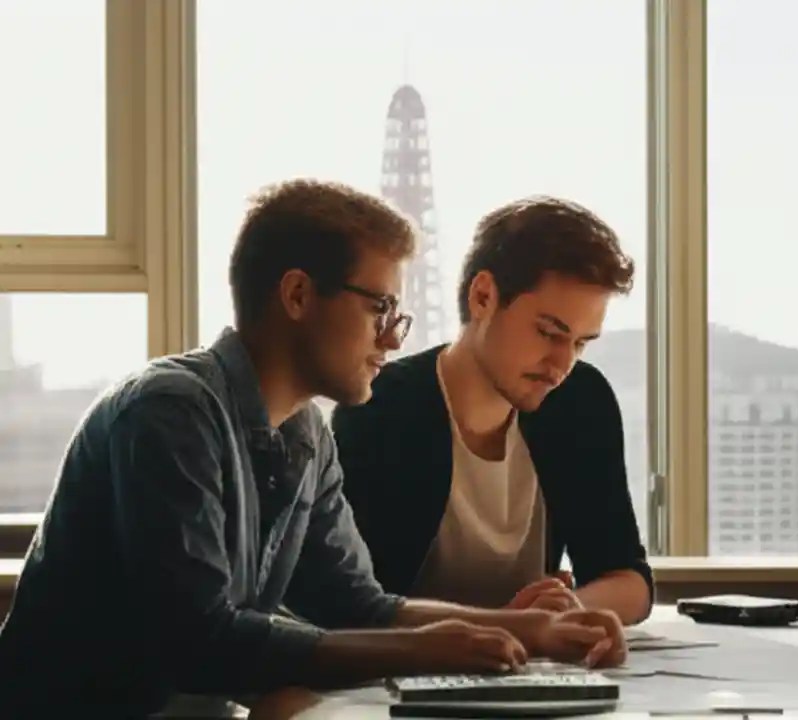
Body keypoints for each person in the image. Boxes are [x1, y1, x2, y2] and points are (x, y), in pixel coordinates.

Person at [0, 180, 625, 715]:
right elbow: (198, 642)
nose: (392, 334)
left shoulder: (304, 432)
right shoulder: (170, 412)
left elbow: (356, 605)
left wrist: (533, 629)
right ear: (297, 296)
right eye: (379, 306)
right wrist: (429, 646)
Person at [331, 196, 653, 625]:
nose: (562, 365)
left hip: (537, 668)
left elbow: (629, 578)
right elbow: (354, 606)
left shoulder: (580, 402)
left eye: (580, 343)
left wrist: (568, 611)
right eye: (548, 332)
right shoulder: (382, 406)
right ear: (483, 297)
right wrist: (510, 624)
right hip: (410, 671)